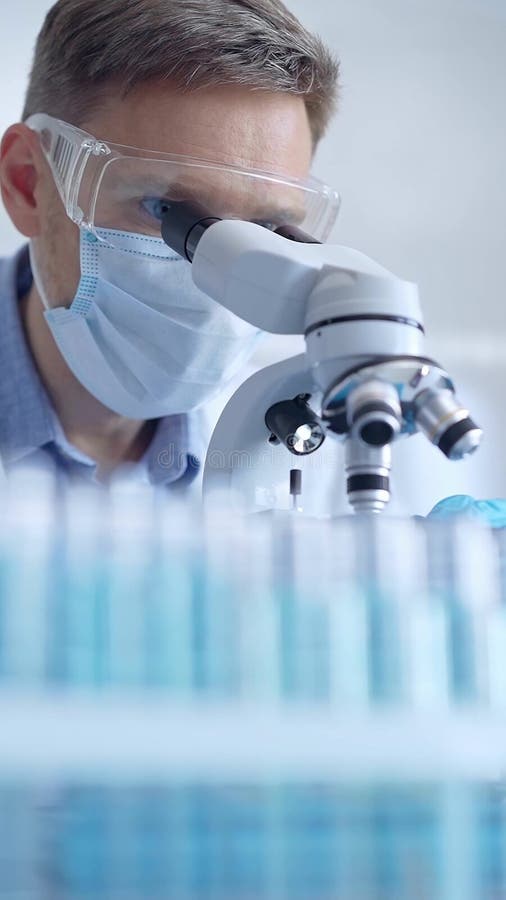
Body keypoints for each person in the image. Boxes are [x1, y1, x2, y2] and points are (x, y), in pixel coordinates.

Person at [0, 0, 340, 489]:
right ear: (29, 183)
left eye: (267, 229)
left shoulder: (310, 438)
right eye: (164, 209)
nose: (221, 275)